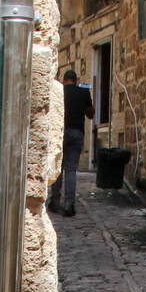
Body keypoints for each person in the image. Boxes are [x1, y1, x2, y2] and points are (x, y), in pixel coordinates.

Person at [48, 69, 94, 217]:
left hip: (60, 131)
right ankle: (69, 204)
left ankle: (55, 201)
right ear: (76, 80)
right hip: (76, 132)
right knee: (71, 169)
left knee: (58, 167)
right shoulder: (83, 91)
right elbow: (91, 114)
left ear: (63, 79)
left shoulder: (58, 91)